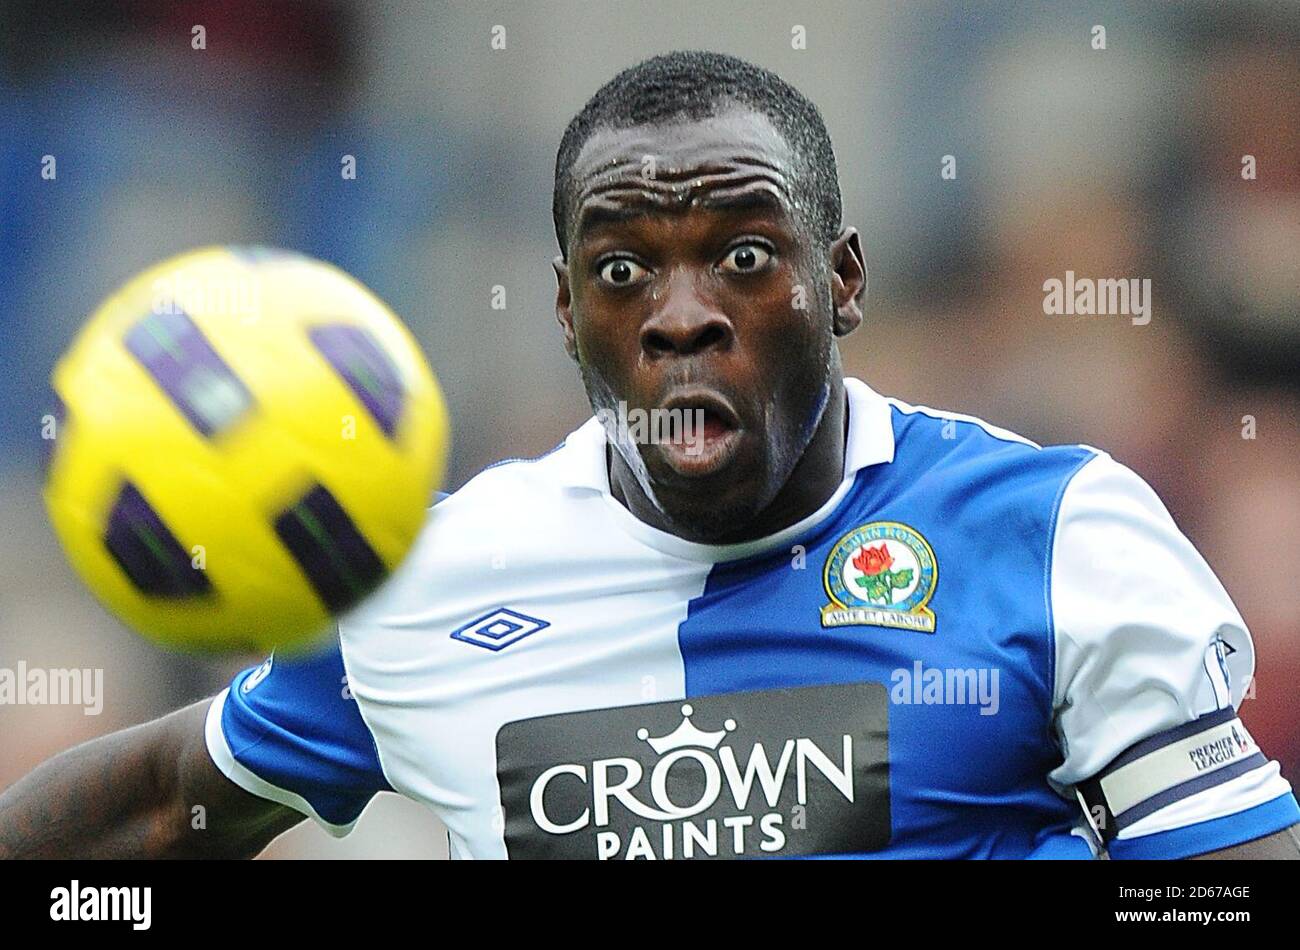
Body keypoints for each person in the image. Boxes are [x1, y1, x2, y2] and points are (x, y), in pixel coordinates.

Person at [2, 50, 1296, 860]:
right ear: (569, 312)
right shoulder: (429, 584)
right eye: (624, 266)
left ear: (840, 281)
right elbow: (168, 808)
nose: (683, 312)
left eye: (742, 253)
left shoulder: (1059, 533)